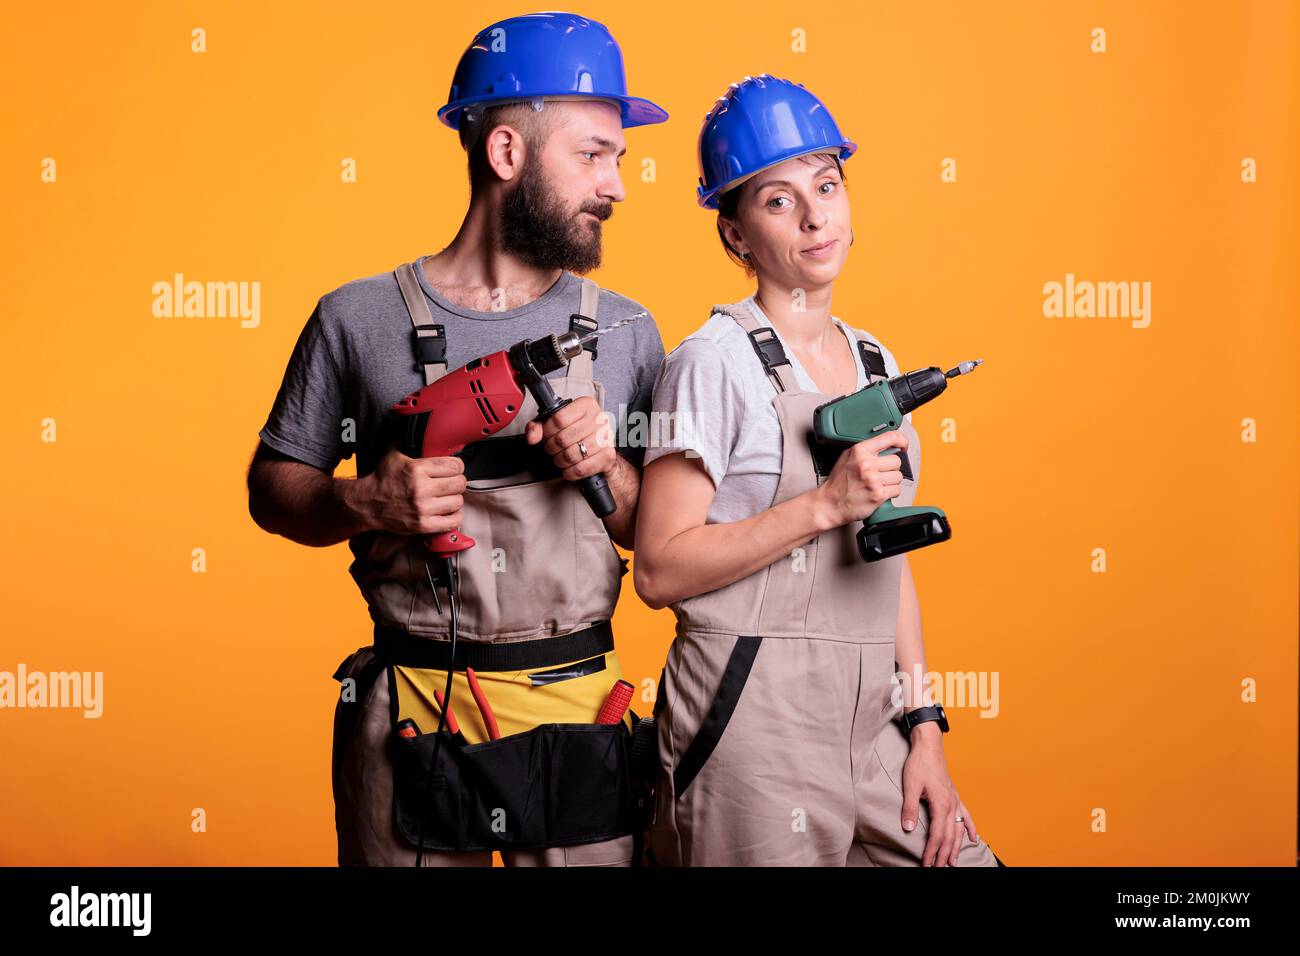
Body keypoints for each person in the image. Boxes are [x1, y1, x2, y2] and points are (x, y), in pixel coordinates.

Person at [247, 12, 667, 867]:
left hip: (576, 711)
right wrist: (359, 499)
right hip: (411, 711)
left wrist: (606, 466)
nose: (617, 185)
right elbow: (269, 486)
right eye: (592, 154)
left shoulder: (627, 330)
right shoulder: (356, 317)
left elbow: (657, 543)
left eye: (617, 159)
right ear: (506, 154)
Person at [633, 74, 1002, 866]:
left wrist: (926, 728)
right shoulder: (710, 364)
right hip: (750, 731)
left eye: (826, 186)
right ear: (734, 235)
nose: (814, 215)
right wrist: (822, 507)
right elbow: (659, 569)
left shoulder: (878, 364)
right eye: (777, 200)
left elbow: (890, 560)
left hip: (873, 726)